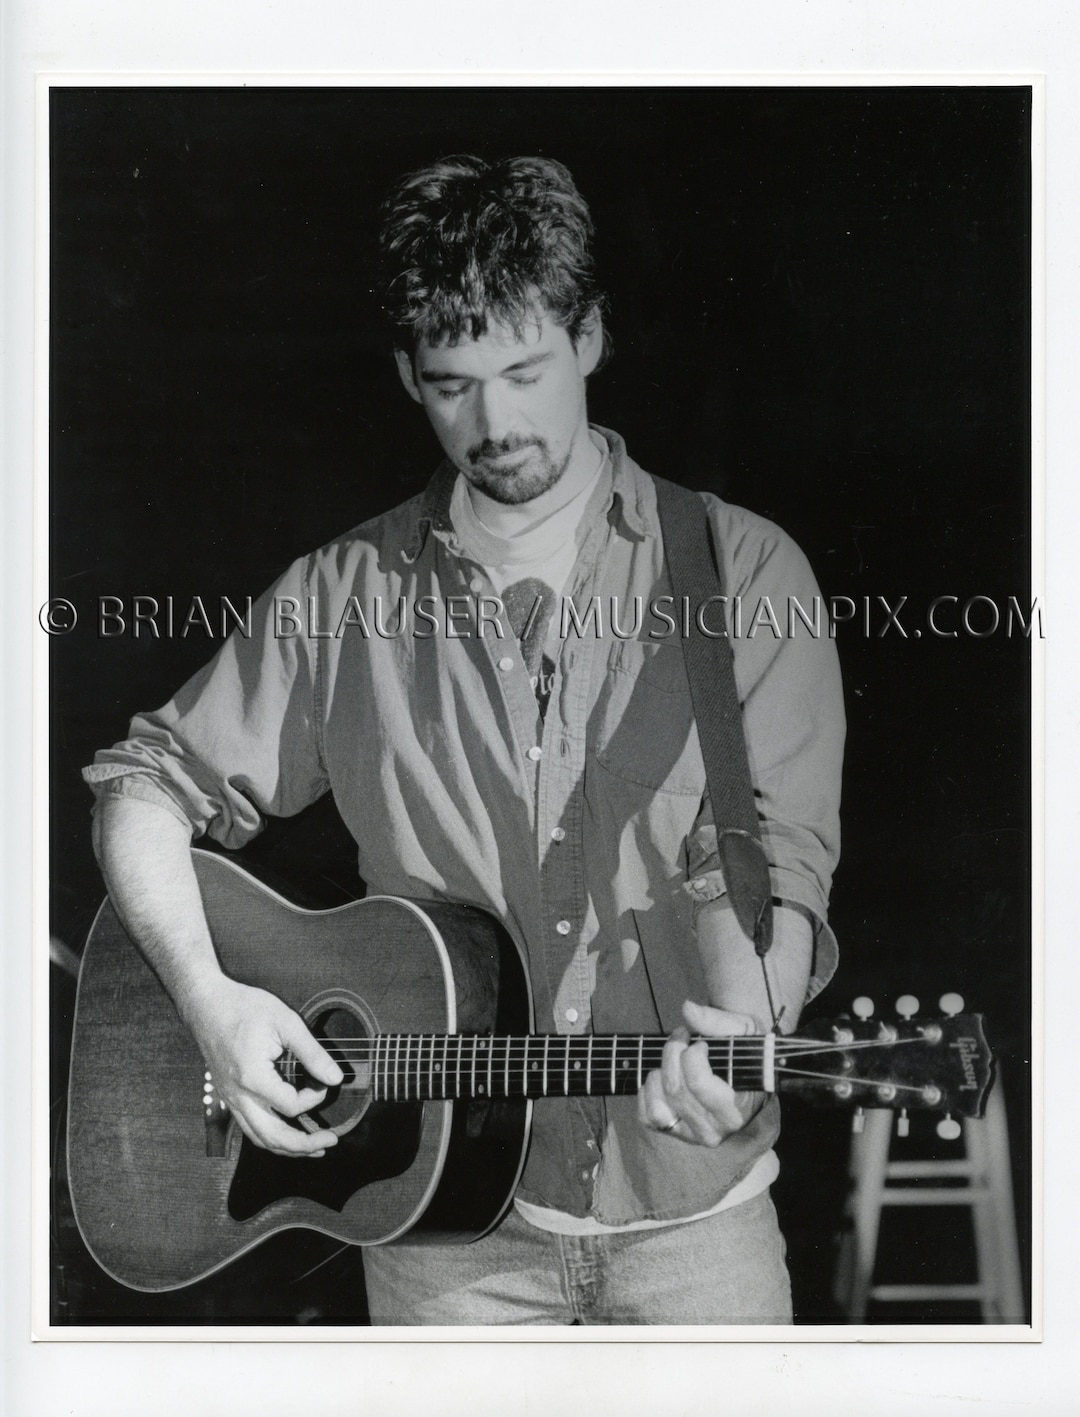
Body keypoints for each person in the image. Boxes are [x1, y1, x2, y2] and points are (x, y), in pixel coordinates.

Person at [83, 154, 844, 1325]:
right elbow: (141, 786)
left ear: (592, 337)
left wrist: (747, 1030)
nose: (492, 424)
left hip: (697, 1229)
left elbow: (774, 867)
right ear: (405, 375)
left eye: (525, 371)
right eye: (450, 385)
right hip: (438, 1246)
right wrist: (211, 1004)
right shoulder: (340, 598)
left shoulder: (743, 571)